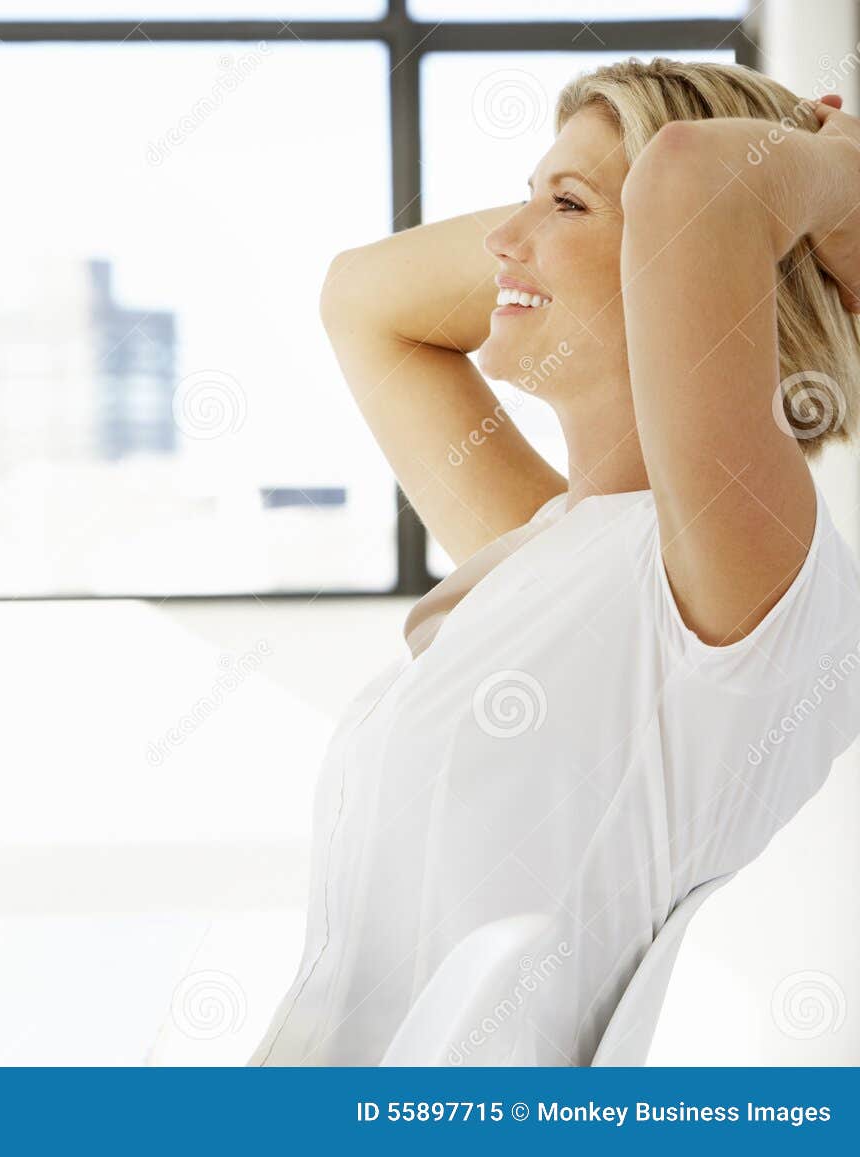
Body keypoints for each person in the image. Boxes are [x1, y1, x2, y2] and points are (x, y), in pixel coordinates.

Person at [254, 57, 860, 1065]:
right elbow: (364, 296)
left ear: (696, 264)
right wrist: (567, 217)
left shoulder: (734, 560)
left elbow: (694, 178)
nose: (500, 239)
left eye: (565, 204)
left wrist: (839, 183)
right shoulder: (559, 539)